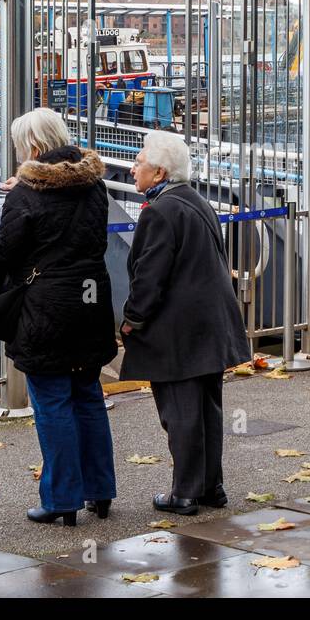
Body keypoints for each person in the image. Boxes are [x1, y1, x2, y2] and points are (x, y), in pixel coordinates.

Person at [0, 108, 117, 526]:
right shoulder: (94, 186)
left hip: (46, 309)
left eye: (21, 147)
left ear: (34, 147)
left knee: (52, 400)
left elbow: (4, 252)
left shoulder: (26, 194)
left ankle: (61, 499)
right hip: (90, 302)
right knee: (87, 395)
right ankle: (100, 490)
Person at [119, 131, 250, 516]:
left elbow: (149, 276)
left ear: (158, 173)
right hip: (211, 323)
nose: (133, 168)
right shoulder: (194, 200)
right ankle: (212, 487)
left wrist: (132, 320)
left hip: (179, 330)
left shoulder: (160, 211)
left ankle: (186, 493)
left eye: (139, 163)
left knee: (179, 412)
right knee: (207, 408)